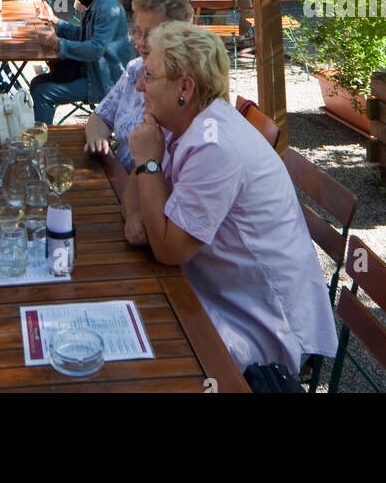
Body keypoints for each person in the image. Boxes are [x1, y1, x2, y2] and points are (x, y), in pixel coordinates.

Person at [123, 24, 337, 380]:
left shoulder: (215, 145)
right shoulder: (183, 121)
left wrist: (148, 165)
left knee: (139, 353)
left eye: (149, 75)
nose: (139, 85)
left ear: (184, 88)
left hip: (263, 326)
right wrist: (137, 213)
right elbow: (135, 193)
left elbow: (167, 250)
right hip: (217, 293)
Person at [84, 0, 193, 171]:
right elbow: (100, 116)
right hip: (117, 176)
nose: (141, 42)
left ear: (176, 37)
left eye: (150, 35)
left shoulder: (180, 87)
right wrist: (97, 140)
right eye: (137, 32)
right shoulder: (135, 68)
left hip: (147, 187)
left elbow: (158, 172)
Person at [30, 0, 131, 123]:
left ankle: (42, 143)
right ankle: (44, 131)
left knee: (43, 92)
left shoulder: (106, 8)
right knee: (36, 83)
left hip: (105, 81)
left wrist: (57, 43)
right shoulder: (94, 1)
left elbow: (96, 49)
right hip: (90, 71)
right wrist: (55, 20)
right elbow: (83, 34)